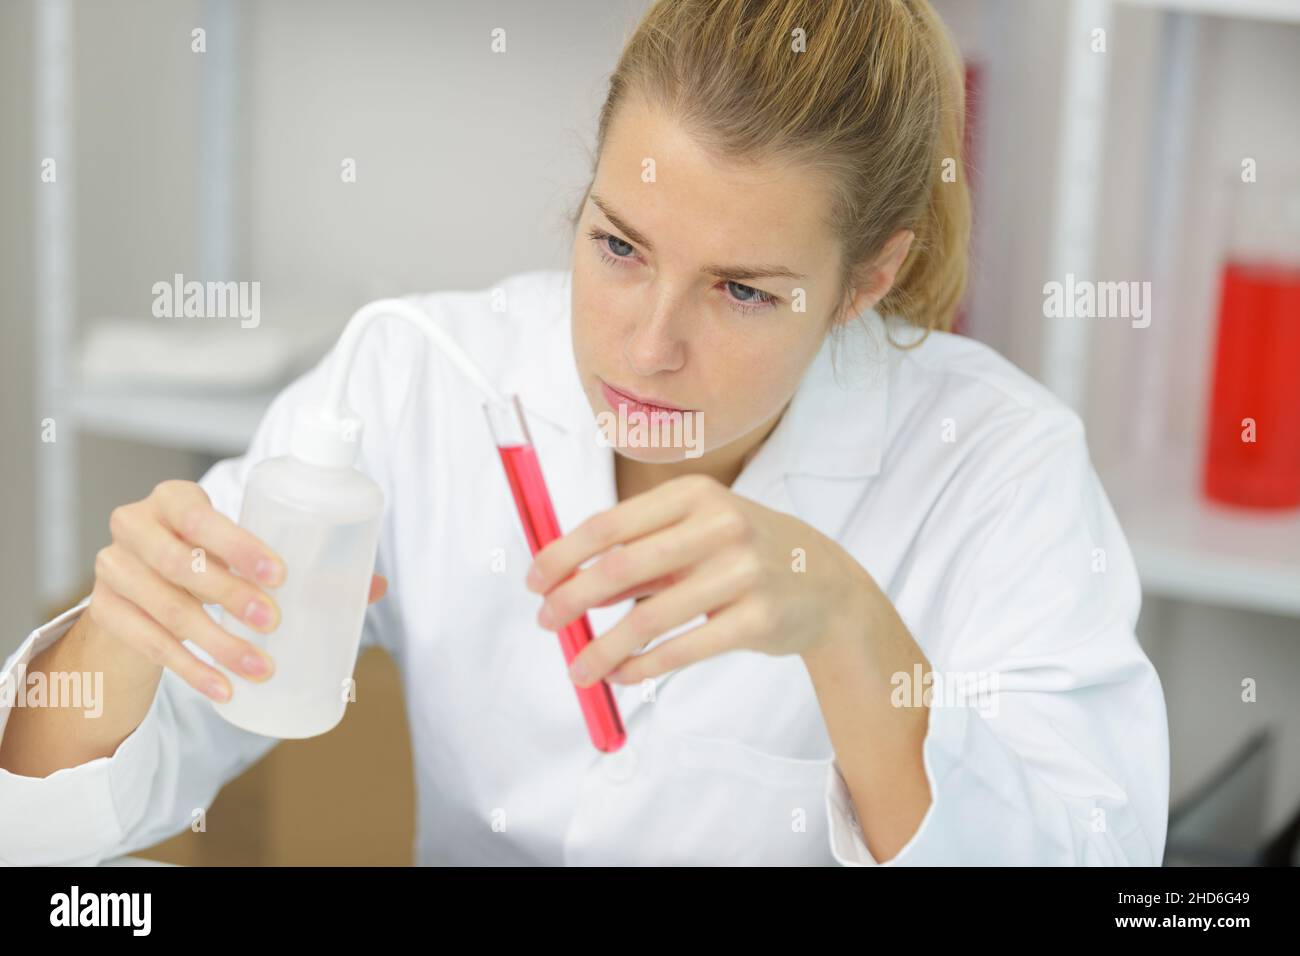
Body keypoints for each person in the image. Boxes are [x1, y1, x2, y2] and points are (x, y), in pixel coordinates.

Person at [0, 0, 1168, 866]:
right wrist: (126, 629)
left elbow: (1096, 858)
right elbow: (37, 824)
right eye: (617, 245)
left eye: (742, 291)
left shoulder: (999, 467)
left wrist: (849, 626)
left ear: (868, 277)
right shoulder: (417, 379)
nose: (645, 344)